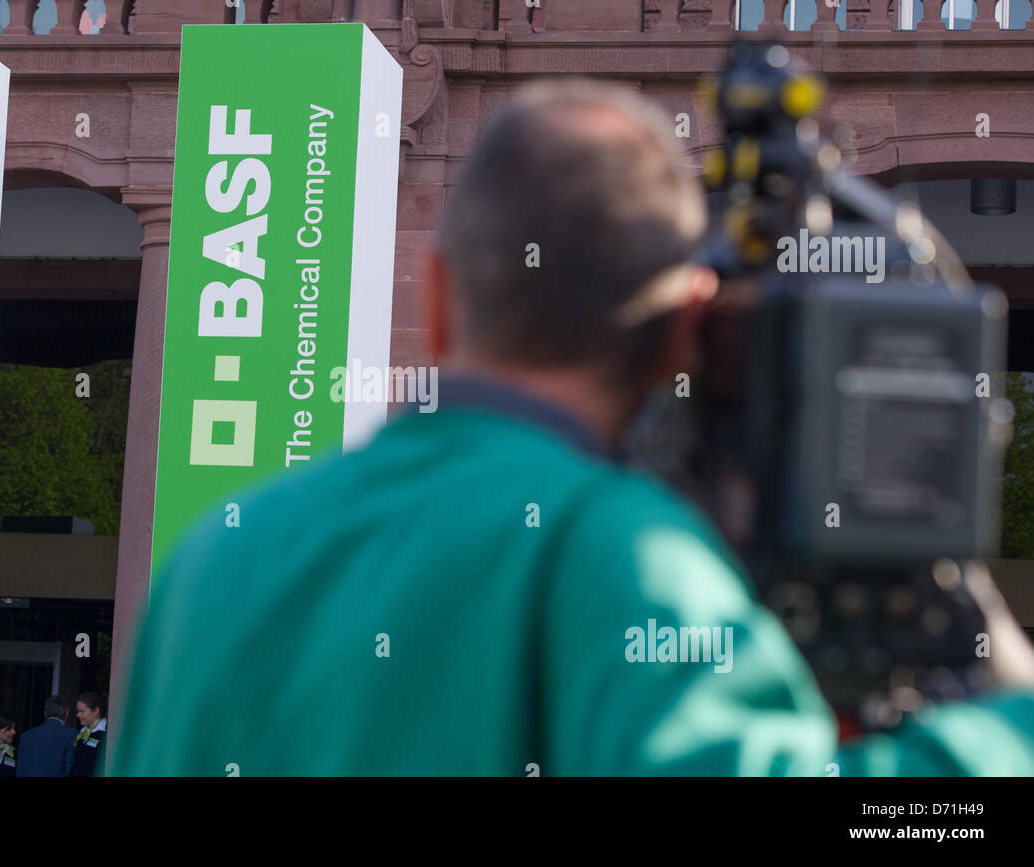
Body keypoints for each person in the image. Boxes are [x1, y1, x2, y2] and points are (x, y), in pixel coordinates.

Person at [112, 82, 1034, 776]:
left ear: (437, 297)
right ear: (685, 332)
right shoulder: (624, 558)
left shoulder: (210, 563)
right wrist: (1006, 702)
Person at [17, 695, 76, 777]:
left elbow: (20, 770)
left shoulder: (27, 735)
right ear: (67, 713)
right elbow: (70, 767)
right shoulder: (71, 735)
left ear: (45, 713)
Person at [70, 691, 109, 778]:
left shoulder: (106, 734)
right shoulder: (82, 733)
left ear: (96, 711)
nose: (78, 715)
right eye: (78, 711)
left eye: (82, 711)